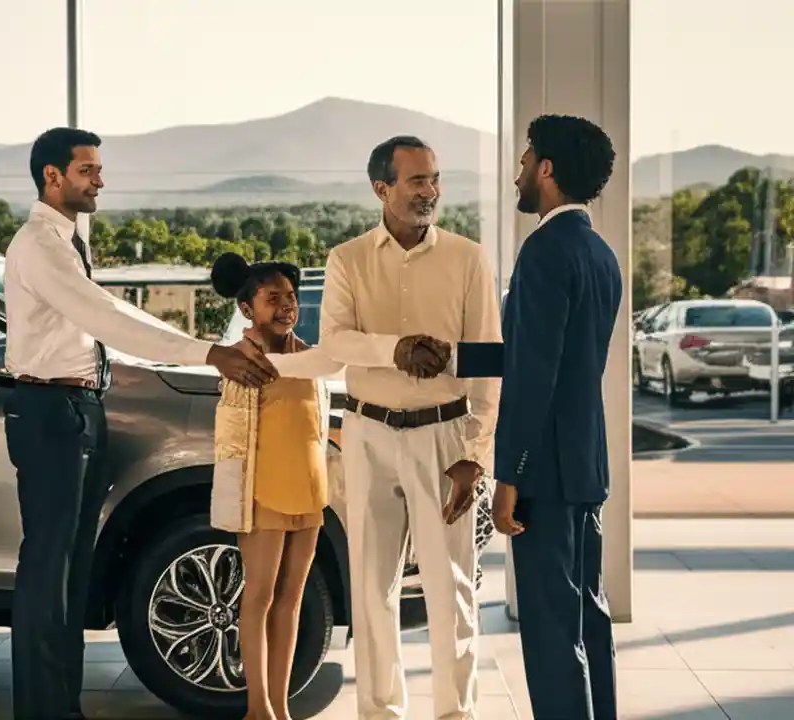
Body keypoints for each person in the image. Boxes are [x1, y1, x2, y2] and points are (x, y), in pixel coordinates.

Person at [1, 127, 280, 720]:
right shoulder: (39, 245)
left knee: (70, 574)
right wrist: (206, 352)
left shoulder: (69, 239)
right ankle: (43, 711)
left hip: (76, 410)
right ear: (52, 176)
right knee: (48, 572)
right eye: (87, 169)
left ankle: (60, 707)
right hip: (50, 414)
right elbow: (103, 315)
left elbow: (106, 314)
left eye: (98, 168)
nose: (99, 178)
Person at [320, 136, 502, 720]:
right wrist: (393, 349)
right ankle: (381, 712)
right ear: (382, 189)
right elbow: (334, 344)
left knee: (452, 587)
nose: (432, 191)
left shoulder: (468, 258)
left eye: (435, 179)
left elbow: (490, 360)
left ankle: (456, 713)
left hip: (444, 436)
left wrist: (474, 452)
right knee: (373, 590)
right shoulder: (346, 259)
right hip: (368, 435)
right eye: (418, 181)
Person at [494, 114, 621, 720]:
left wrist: (510, 474)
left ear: (546, 170)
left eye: (525, 160)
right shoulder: (601, 254)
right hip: (586, 466)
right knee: (589, 622)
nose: (518, 170)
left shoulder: (544, 250)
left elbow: (534, 376)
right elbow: (563, 357)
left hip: (543, 470)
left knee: (550, 633)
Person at [208, 253, 333, 720]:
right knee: (258, 596)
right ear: (246, 308)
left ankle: (279, 706)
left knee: (292, 599)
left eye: (291, 297)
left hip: (309, 493)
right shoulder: (242, 362)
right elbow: (231, 437)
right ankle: (256, 707)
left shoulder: (309, 357)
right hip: (262, 495)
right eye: (272, 298)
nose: (285, 306)